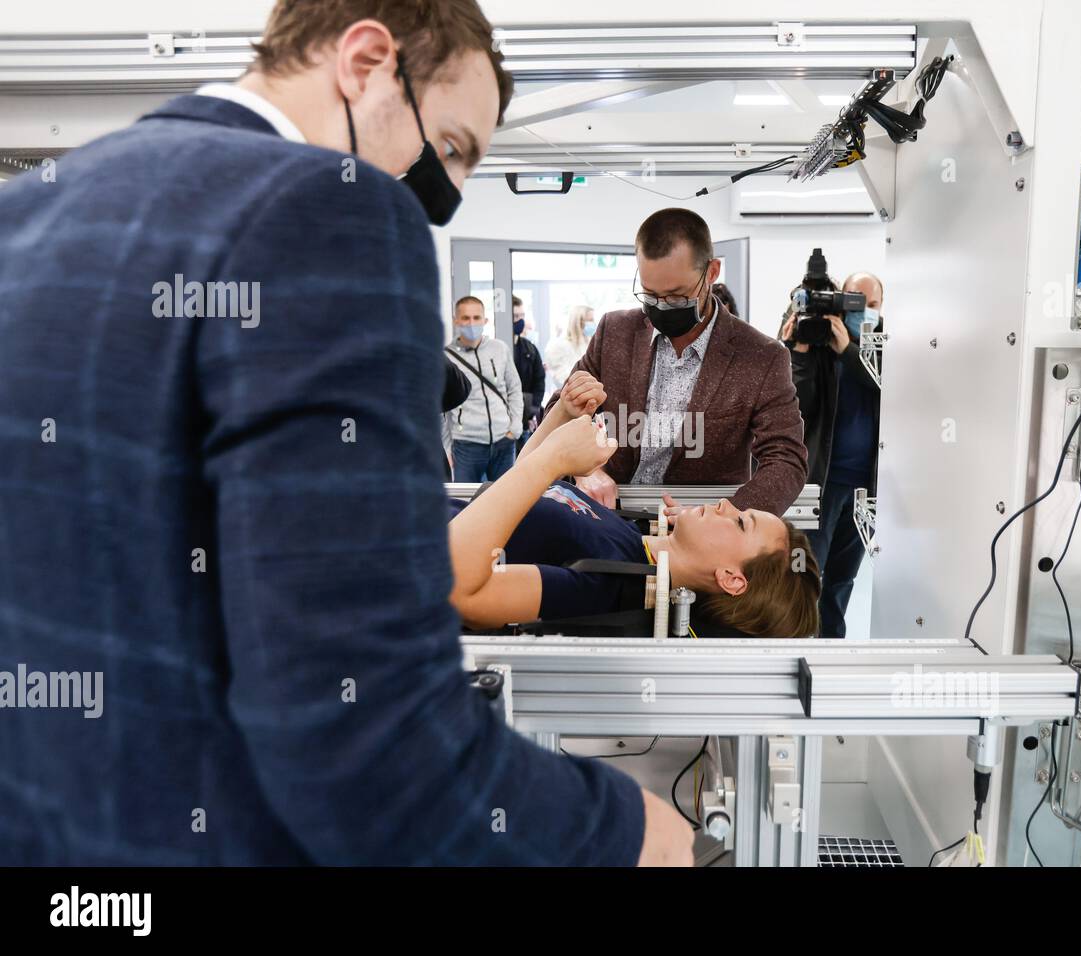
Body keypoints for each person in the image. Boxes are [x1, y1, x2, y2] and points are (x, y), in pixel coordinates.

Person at [0, 0, 690, 867]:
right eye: (449, 152)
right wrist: (617, 831)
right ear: (366, 62)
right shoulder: (327, 211)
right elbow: (360, 736)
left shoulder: (24, 215)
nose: (440, 196)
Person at [449, 372, 822, 637]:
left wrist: (553, 461)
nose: (727, 504)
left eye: (741, 523)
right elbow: (516, 501)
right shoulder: (632, 539)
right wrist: (562, 416)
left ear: (731, 578)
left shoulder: (605, 585)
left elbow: (456, 588)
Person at [546, 208, 808, 517]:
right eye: (650, 295)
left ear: (711, 273)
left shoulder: (761, 356)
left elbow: (786, 461)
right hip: (606, 517)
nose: (662, 307)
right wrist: (584, 470)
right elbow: (559, 412)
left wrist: (720, 520)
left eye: (677, 296)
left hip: (701, 537)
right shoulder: (614, 332)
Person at [781, 270, 885, 638]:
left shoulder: (884, 350)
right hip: (821, 484)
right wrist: (800, 351)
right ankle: (798, 646)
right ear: (840, 300)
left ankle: (832, 646)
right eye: (856, 301)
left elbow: (886, 387)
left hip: (865, 490)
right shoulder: (821, 345)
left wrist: (851, 352)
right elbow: (797, 403)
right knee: (808, 575)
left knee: (843, 579)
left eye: (872, 305)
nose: (864, 311)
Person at [446, 294, 523, 481]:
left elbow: (514, 388)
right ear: (456, 321)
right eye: (465, 318)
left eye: (476, 318)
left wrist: (515, 427)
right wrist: (446, 448)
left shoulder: (500, 348)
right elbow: (441, 410)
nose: (471, 323)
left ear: (485, 320)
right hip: (466, 445)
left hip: (503, 441)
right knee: (464, 505)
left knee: (507, 501)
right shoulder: (446, 357)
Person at [511, 294, 545, 454]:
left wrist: (533, 410)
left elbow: (539, 381)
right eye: (515, 316)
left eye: (522, 316)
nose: (520, 320)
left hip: (525, 419)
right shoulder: (497, 349)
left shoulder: (529, 349)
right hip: (503, 424)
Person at [544, 303, 595, 399]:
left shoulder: (588, 344)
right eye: (590, 320)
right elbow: (560, 377)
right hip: (568, 397)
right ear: (579, 321)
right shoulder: (560, 345)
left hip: (588, 396)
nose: (594, 324)